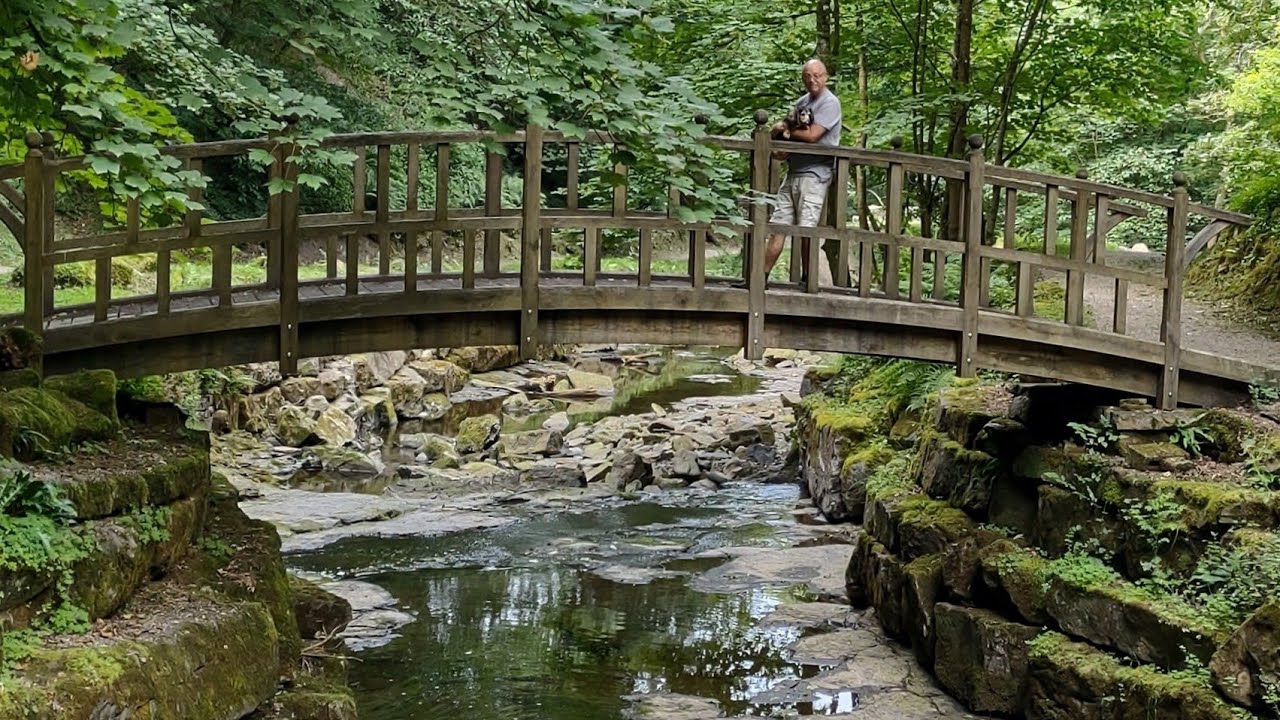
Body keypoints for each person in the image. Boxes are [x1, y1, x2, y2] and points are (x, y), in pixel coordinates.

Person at [754, 58, 843, 287]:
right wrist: (782, 144)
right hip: (794, 171)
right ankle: (759, 278)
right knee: (778, 225)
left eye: (816, 75)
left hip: (815, 173)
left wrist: (785, 132)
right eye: (807, 76)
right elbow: (788, 128)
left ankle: (807, 281)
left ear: (825, 76)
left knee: (806, 230)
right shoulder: (802, 101)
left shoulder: (830, 103)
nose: (812, 80)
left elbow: (813, 135)